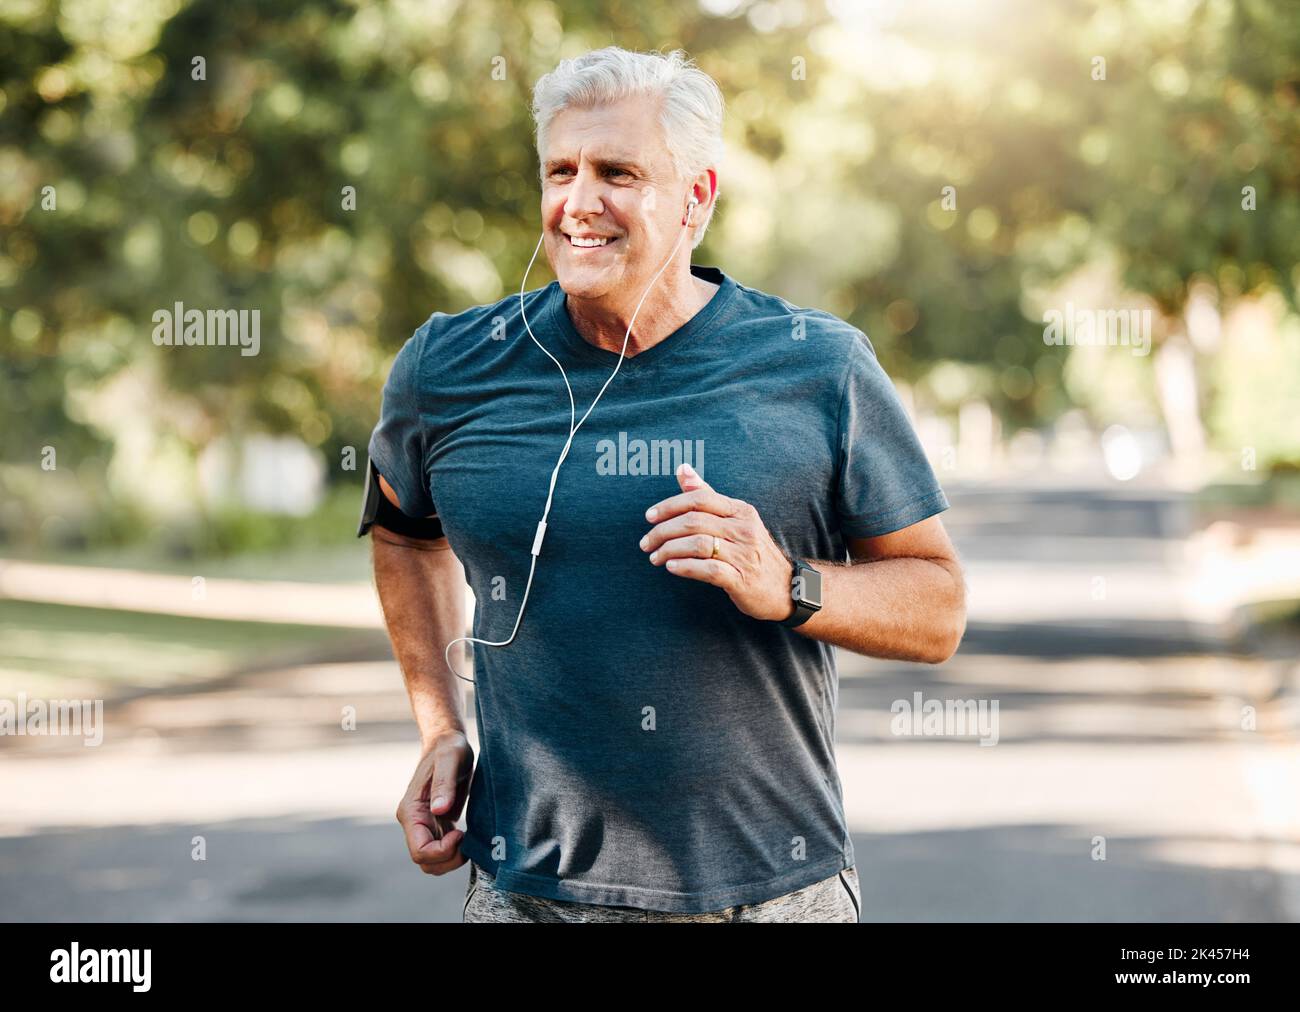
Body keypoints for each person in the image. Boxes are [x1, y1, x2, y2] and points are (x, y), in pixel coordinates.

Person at [363, 46, 966, 923]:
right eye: (560, 171)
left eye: (618, 173)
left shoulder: (817, 366)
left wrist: (787, 584)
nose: (579, 203)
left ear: (697, 197)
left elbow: (939, 608)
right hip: (527, 895)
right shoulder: (449, 366)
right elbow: (401, 532)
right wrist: (439, 726)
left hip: (769, 892)